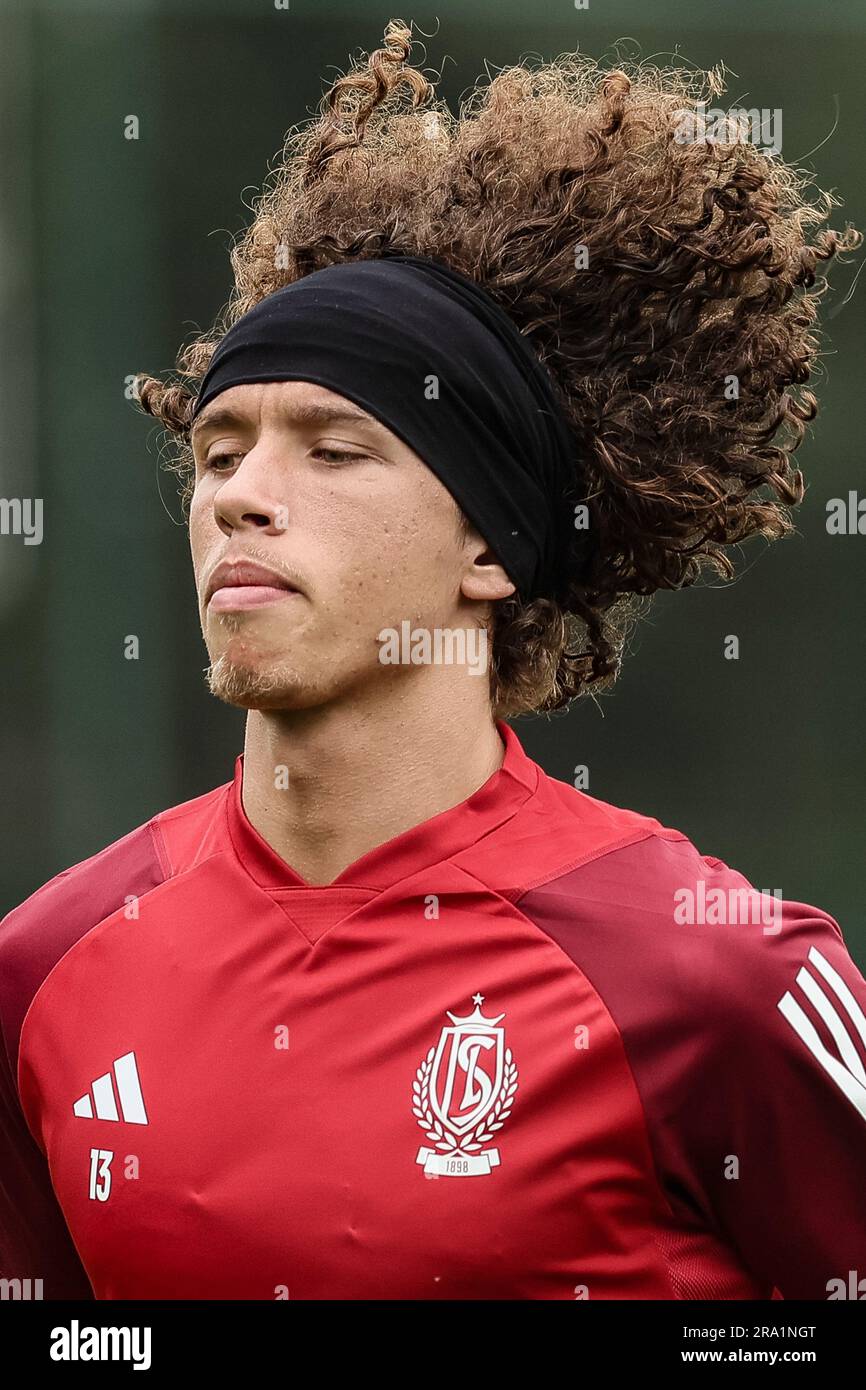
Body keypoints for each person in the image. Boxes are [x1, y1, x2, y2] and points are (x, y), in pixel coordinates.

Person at [1, 21, 864, 1301]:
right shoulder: (43, 964)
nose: (242, 495)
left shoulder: (714, 975)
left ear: (489, 551)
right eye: (220, 450)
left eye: (334, 449)